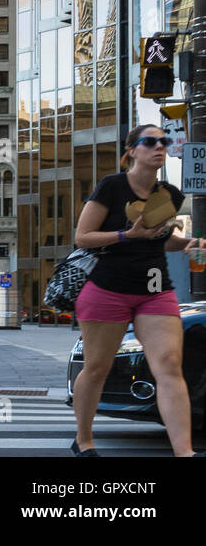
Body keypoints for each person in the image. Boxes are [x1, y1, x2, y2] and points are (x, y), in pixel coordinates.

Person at [69, 124, 204, 457]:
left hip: (155, 289)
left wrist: (187, 243)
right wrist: (127, 236)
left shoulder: (170, 194)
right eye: (150, 141)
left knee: (169, 365)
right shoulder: (111, 187)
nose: (159, 146)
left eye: (164, 141)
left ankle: (183, 452)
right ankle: (84, 439)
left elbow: (160, 239)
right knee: (97, 367)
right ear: (132, 151)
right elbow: (83, 237)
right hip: (107, 287)